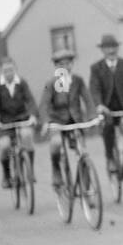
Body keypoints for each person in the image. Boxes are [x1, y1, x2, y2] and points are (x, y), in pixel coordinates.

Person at [39, 50, 92, 189]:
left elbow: (87, 98)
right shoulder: (51, 83)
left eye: (68, 63)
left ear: (72, 64)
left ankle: (87, 187)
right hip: (57, 122)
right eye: (61, 64)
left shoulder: (78, 80)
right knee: (56, 143)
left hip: (75, 121)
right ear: (56, 67)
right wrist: (46, 123)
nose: (65, 67)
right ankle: (56, 170)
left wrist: (94, 117)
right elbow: (44, 104)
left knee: (83, 152)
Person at [90, 34, 123, 177]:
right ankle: (110, 158)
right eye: (107, 48)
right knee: (108, 128)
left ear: (117, 48)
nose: (111, 51)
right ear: (102, 50)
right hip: (108, 109)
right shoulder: (96, 68)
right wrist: (99, 105)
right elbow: (94, 89)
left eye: (113, 47)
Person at [0, 58, 37, 188]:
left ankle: (30, 171)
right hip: (4, 122)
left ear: (15, 70)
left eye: (11, 70)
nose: (9, 73)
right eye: (5, 71)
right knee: (4, 145)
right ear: (1, 72)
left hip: (22, 118)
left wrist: (33, 115)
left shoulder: (21, 83)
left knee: (27, 136)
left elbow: (30, 100)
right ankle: (7, 176)